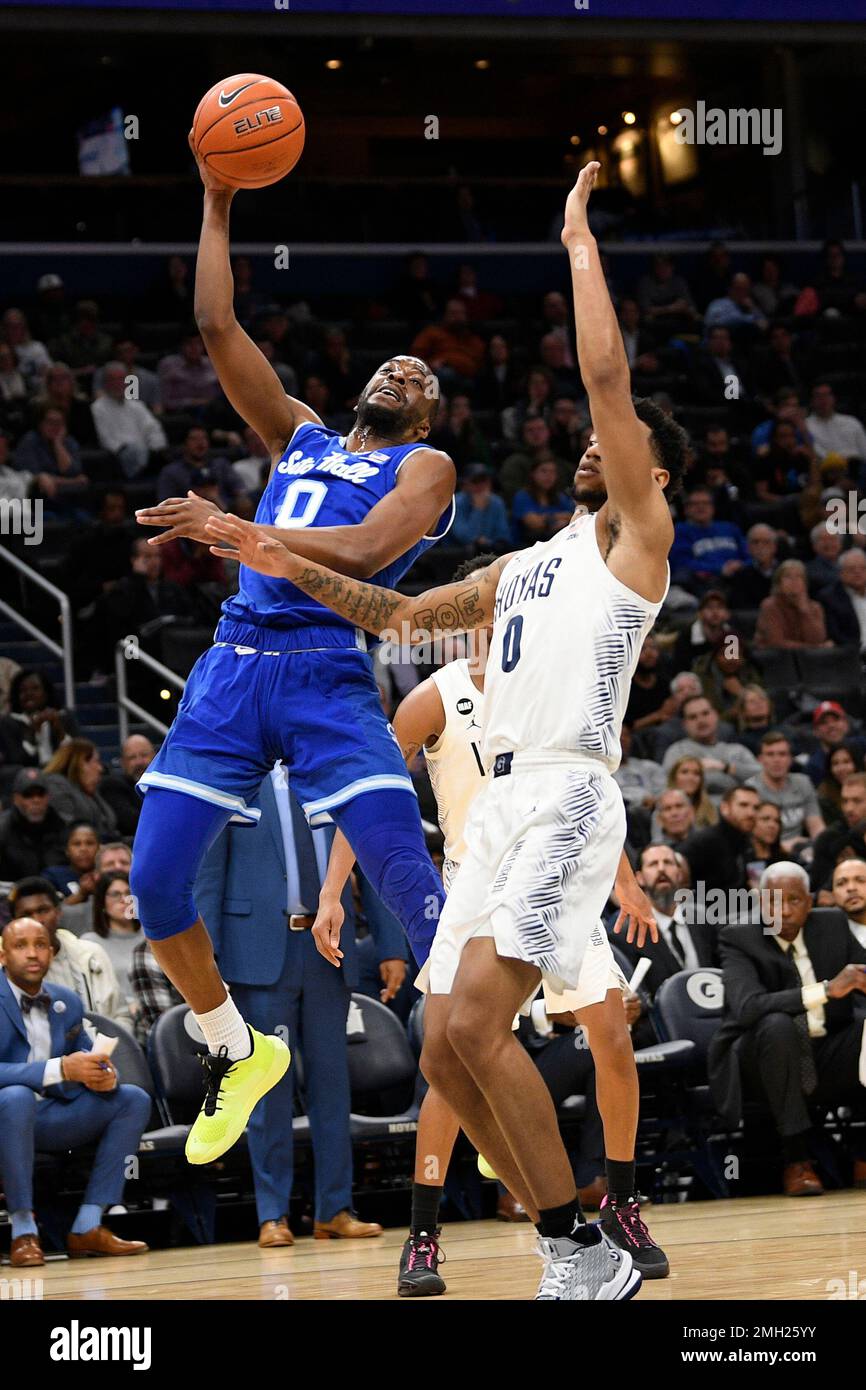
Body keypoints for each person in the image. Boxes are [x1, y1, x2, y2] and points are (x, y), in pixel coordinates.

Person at [224, 162, 689, 1301]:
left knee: (478, 1026)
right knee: (441, 1045)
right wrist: (266, 550)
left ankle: (582, 1244)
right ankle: (569, 1244)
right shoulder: (522, 564)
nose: (590, 447)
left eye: (613, 446)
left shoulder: (634, 542)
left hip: (569, 794)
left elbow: (603, 376)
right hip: (491, 816)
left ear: (649, 475)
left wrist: (577, 244)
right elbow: (393, 611)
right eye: (583, 446)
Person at [127, 135, 456, 1171]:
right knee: (153, 882)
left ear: (430, 417)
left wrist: (250, 534)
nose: (405, 368)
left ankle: (486, 1044)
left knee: (407, 881)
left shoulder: (425, 466)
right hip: (233, 666)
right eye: (393, 362)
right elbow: (216, 322)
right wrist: (218, 198)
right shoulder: (304, 435)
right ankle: (237, 1046)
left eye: (425, 377)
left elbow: (364, 552)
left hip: (324, 670)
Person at [315, 556, 668, 1291]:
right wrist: (333, 891)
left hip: (554, 873)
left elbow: (581, 782)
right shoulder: (437, 696)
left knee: (610, 1034)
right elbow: (373, 794)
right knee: (448, 1054)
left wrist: (625, 880)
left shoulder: (542, 684)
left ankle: (618, 1209)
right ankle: (424, 1234)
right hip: (473, 891)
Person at [196, 768, 394, 1247]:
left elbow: (374, 856)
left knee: (333, 1084)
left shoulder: (334, 777)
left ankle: (335, 1208)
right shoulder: (235, 780)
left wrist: (390, 947)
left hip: (329, 946)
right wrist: (207, 960)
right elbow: (209, 872)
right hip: (257, 950)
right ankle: (272, 1214)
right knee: (267, 1088)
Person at [0, 915, 150, 1266]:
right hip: (5, 1116)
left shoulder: (66, 1000)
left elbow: (84, 1054)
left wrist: (103, 1075)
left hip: (50, 1115)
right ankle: (23, 1231)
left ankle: (88, 1225)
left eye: (41, 945)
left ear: (52, 952)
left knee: (131, 1099)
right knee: (17, 1096)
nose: (33, 953)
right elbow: (58, 1068)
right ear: (3, 955)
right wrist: (58, 1068)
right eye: (21, 946)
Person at [710, 862, 866, 1197]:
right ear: (760, 901)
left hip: (826, 1052)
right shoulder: (739, 936)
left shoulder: (833, 924)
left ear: (809, 902)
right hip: (759, 1060)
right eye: (773, 901)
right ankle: (797, 1162)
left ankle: (863, 1154)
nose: (782, 909)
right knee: (777, 1026)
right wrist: (825, 990)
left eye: (793, 900)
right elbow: (748, 1007)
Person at [8, 877, 130, 1029]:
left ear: (58, 912)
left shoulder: (91, 953)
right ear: (14, 923)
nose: (37, 921)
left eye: (43, 910)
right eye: (26, 915)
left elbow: (121, 1015)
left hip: (104, 1048)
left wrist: (108, 1049)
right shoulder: (7, 968)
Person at [661, 694, 760, 799]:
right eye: (693, 717)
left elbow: (762, 777)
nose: (700, 720)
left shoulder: (737, 750)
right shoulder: (677, 751)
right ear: (685, 724)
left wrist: (725, 767)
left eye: (705, 713)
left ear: (716, 715)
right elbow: (669, 789)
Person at [745, 732, 825, 852]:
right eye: (770, 754)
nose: (776, 760)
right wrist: (788, 846)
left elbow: (816, 825)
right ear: (760, 759)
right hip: (766, 851)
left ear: (790, 759)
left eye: (782, 754)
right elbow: (750, 836)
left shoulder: (803, 782)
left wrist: (822, 847)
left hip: (802, 850)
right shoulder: (750, 789)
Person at [91, 361, 168, 479]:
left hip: (147, 456)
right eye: (113, 379)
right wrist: (128, 451)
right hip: (118, 461)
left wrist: (155, 448)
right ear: (105, 383)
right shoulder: (97, 408)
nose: (118, 383)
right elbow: (106, 439)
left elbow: (153, 429)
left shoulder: (137, 405)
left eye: (121, 379)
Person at [683, 784, 761, 893]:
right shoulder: (703, 842)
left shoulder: (749, 842)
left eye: (756, 808)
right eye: (743, 805)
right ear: (725, 808)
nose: (751, 813)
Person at [82, 872, 141, 1013]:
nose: (124, 900)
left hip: (156, 1015)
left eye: (128, 893)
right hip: (114, 1021)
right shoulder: (89, 943)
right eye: (115, 894)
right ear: (102, 902)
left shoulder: (152, 936)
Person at [0, 669, 78, 771]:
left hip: (61, 774)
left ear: (46, 692)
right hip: (28, 778)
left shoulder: (64, 717)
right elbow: (15, 761)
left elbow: (78, 755)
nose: (29, 694)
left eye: (35, 688)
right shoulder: (8, 723)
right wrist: (32, 733)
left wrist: (59, 731)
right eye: (22, 690)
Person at [0, 770, 68, 882]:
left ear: (48, 797)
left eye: (40, 794)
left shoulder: (62, 825)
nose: (36, 800)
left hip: (56, 892)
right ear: (16, 799)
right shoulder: (3, 830)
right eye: (28, 795)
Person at [43, 739, 117, 840]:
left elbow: (109, 826)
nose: (100, 768)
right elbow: (69, 829)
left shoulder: (88, 790)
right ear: (80, 763)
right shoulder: (55, 785)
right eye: (95, 761)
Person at [809, 773, 866, 895]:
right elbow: (820, 894)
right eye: (845, 801)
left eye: (857, 801)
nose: (849, 808)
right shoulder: (830, 839)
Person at [755, 559, 829, 649]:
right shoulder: (769, 606)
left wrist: (804, 610)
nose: (794, 581)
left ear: (805, 583)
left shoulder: (815, 607)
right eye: (788, 576)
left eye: (799, 577)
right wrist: (815, 647)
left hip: (807, 660)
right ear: (778, 583)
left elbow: (818, 639)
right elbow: (776, 643)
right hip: (775, 660)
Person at [99, 735, 156, 838]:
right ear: (123, 763)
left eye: (144, 755)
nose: (139, 762)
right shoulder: (113, 786)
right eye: (132, 757)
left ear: (155, 756)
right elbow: (131, 823)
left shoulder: (167, 785)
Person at [510, 457, 573, 546]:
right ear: (533, 473)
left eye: (552, 472)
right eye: (544, 471)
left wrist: (545, 520)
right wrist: (558, 520)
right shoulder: (522, 496)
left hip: (555, 546)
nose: (549, 476)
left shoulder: (560, 497)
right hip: (526, 548)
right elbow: (534, 523)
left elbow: (573, 518)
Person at [451, 463, 512, 553]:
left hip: (491, 551)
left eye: (484, 480)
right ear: (465, 484)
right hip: (458, 554)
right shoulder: (456, 503)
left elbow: (504, 535)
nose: (480, 485)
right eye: (475, 481)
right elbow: (464, 537)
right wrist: (478, 509)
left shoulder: (496, 502)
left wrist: (487, 542)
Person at [805, 382, 866, 465]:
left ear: (833, 398)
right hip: (828, 470)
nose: (823, 399)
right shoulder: (806, 426)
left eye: (827, 395)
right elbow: (815, 456)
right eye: (818, 396)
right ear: (812, 401)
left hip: (858, 468)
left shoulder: (851, 422)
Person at [820, 548, 866, 651]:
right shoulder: (829, 598)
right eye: (851, 569)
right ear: (841, 573)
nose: (857, 572)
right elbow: (835, 635)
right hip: (853, 656)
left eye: (863, 568)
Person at [43, 821, 100, 904]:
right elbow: (52, 913)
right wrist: (81, 894)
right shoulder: (52, 876)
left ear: (99, 848)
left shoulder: (107, 875)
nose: (83, 849)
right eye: (77, 844)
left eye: (89, 843)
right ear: (67, 850)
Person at [817, 743, 865, 827]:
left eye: (846, 762)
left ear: (856, 763)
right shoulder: (823, 795)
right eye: (835, 763)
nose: (841, 768)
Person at [666, 756, 718, 828]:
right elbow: (658, 838)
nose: (690, 778)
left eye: (696, 773)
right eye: (684, 772)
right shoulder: (664, 807)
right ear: (674, 777)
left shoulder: (710, 807)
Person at [747, 801, 784, 888]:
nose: (772, 825)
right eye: (765, 819)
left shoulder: (784, 859)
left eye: (777, 821)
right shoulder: (739, 860)